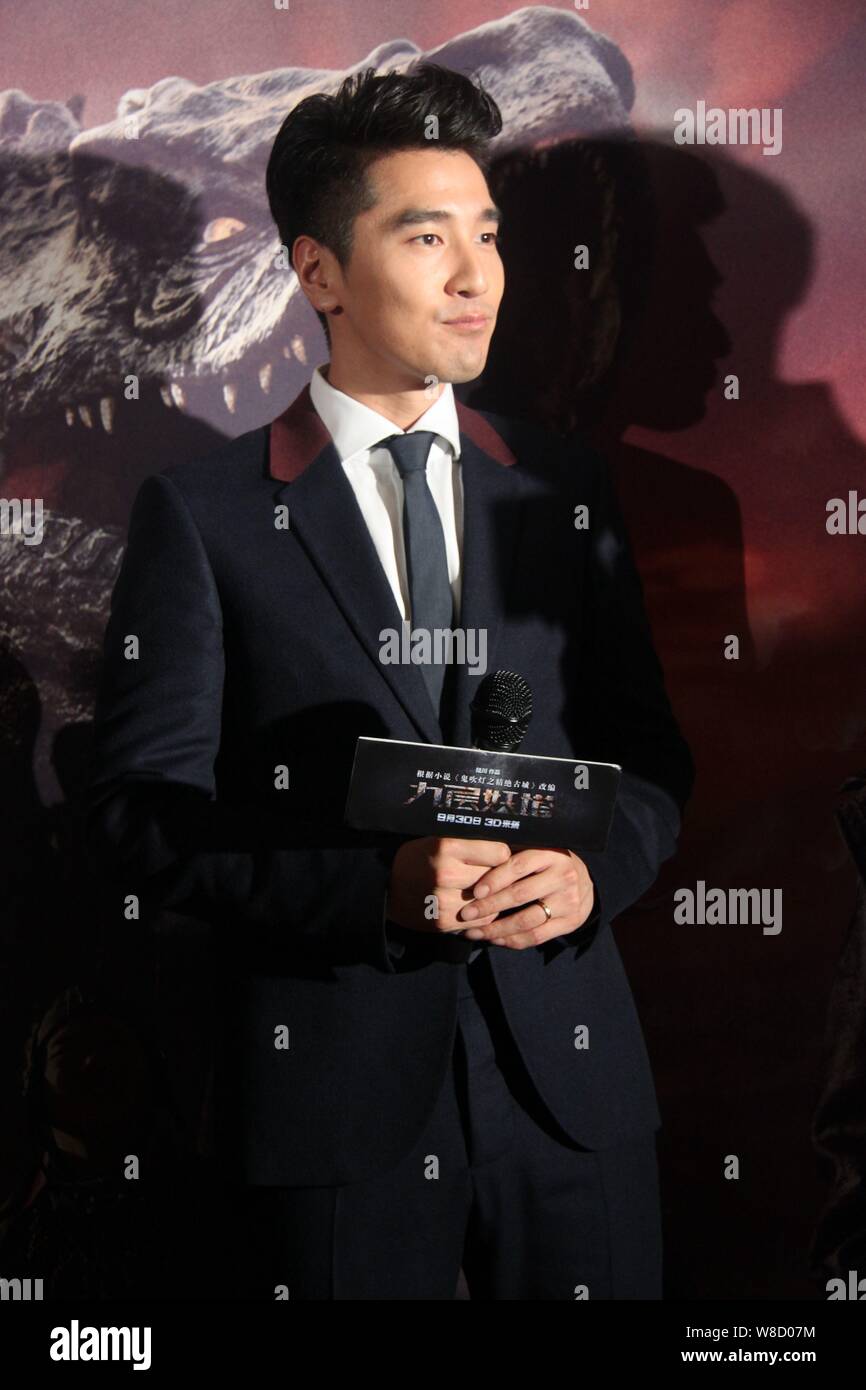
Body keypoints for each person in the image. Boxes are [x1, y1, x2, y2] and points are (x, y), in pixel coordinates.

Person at [85, 61, 694, 1299]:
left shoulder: (562, 490)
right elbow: (141, 812)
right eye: (427, 238)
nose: (478, 278)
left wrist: (589, 874)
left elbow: (648, 759)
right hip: (331, 1108)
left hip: (570, 1095)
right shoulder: (200, 515)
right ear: (317, 273)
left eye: (487, 235)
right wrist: (375, 891)